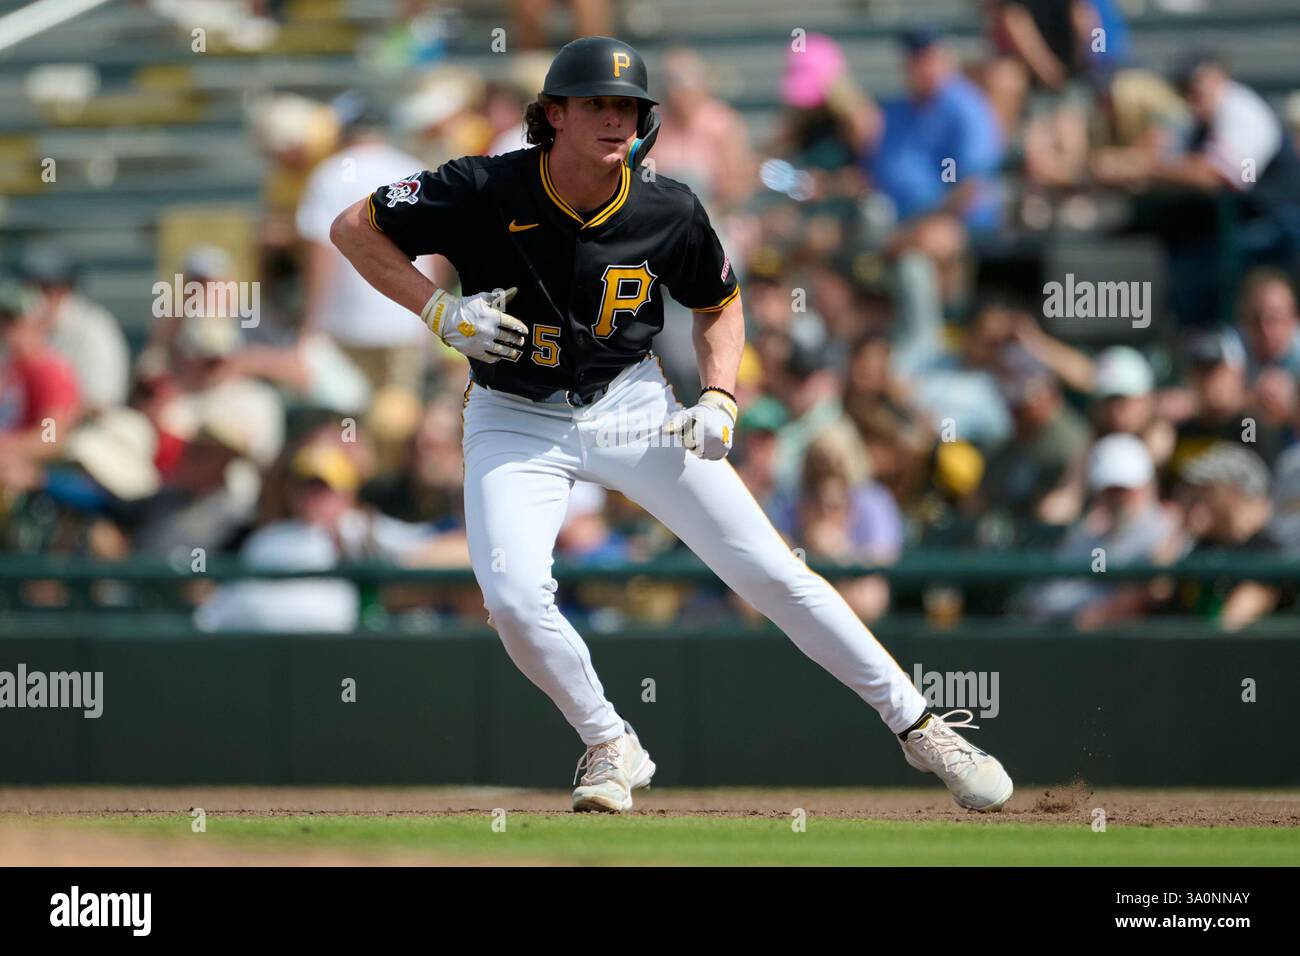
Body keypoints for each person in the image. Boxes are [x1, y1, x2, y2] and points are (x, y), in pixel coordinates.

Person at [331, 36, 1013, 814]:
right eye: (597, 103)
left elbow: (719, 304)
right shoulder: (483, 184)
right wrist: (438, 310)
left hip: (630, 403)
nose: (616, 118)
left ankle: (921, 726)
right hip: (513, 413)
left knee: (769, 570)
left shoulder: (668, 205)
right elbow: (354, 227)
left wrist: (720, 394)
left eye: (628, 106)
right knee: (514, 597)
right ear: (552, 114)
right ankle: (608, 740)